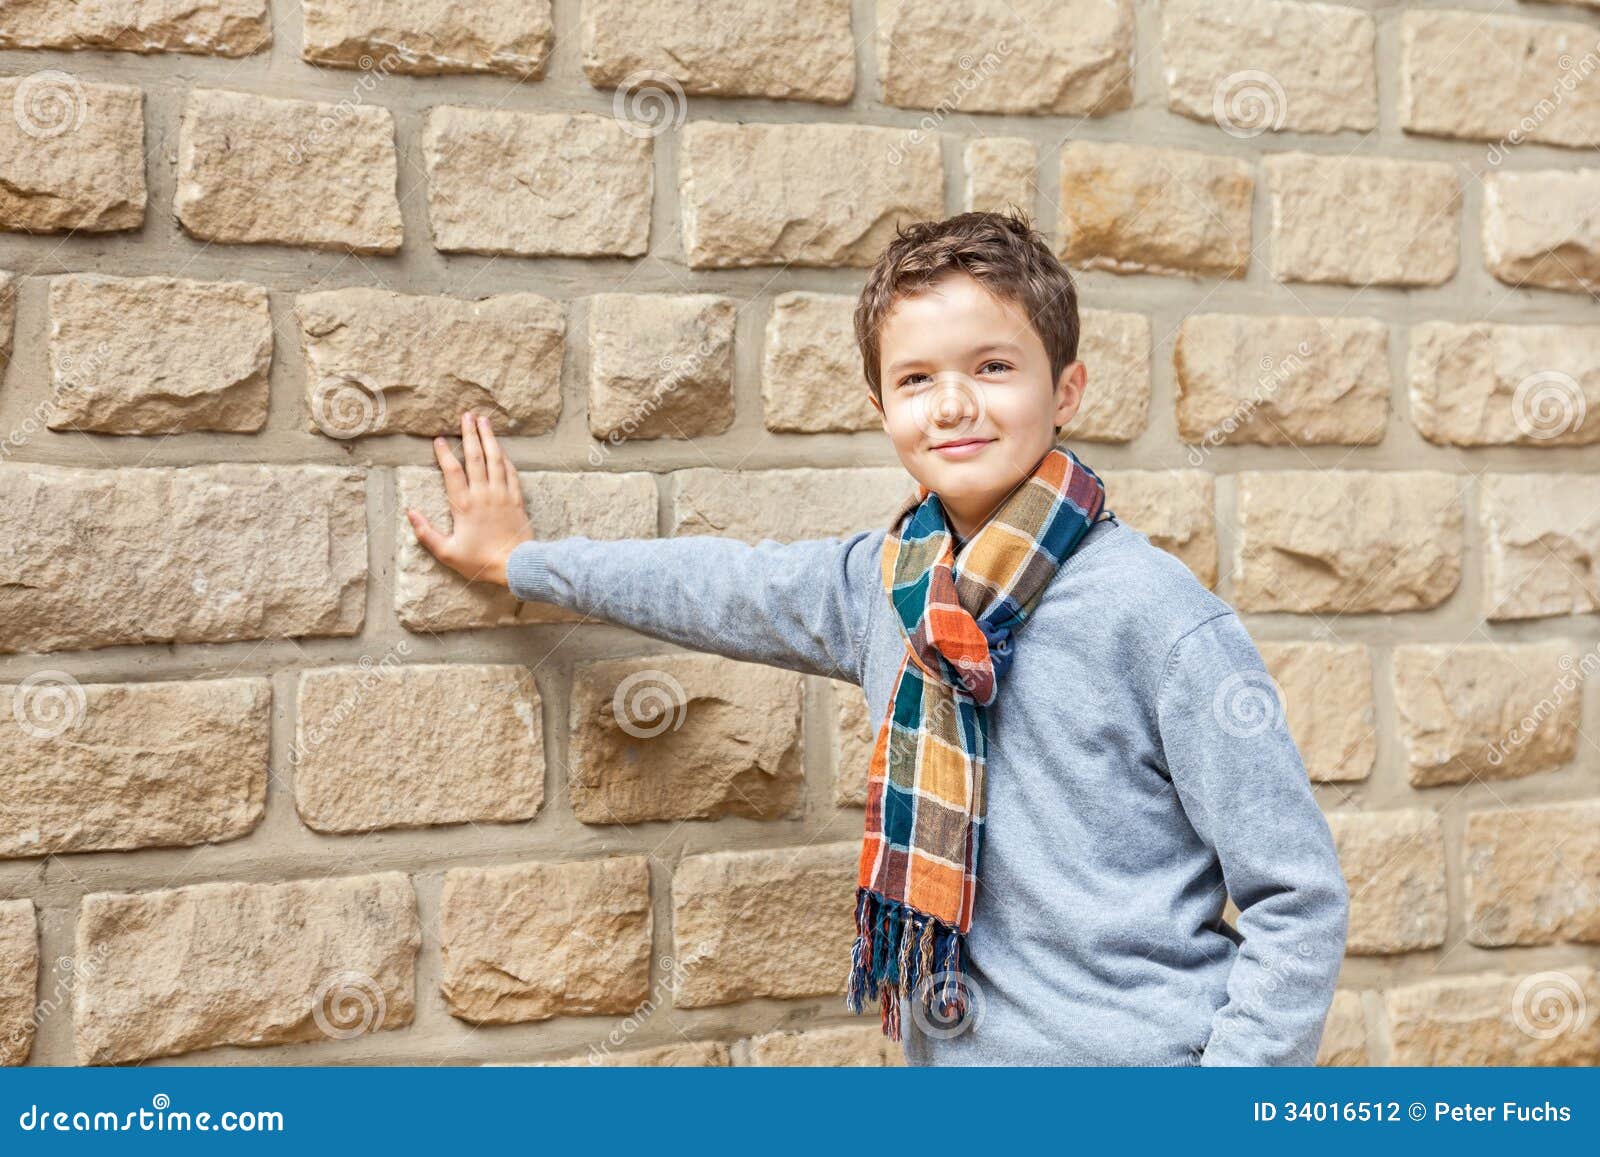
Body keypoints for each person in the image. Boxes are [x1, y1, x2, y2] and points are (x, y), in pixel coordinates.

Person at [406, 208, 1350, 1066]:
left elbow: (1297, 895)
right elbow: (721, 584)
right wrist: (519, 562)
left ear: (1066, 389)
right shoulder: (885, 585)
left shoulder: (1158, 614)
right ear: (881, 409)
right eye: (916, 379)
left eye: (992, 366)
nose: (952, 405)